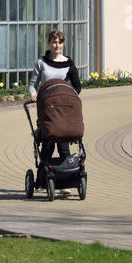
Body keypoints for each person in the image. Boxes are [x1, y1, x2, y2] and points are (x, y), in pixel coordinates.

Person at [28, 30, 81, 166]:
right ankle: (43, 178)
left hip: (64, 110)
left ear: (63, 44)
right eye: (54, 42)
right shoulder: (41, 62)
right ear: (49, 43)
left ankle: (65, 181)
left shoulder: (69, 64)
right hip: (46, 109)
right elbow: (32, 85)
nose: (57, 46)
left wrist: (69, 98)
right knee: (47, 147)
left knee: (64, 147)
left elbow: (77, 87)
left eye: (60, 42)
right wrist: (33, 93)